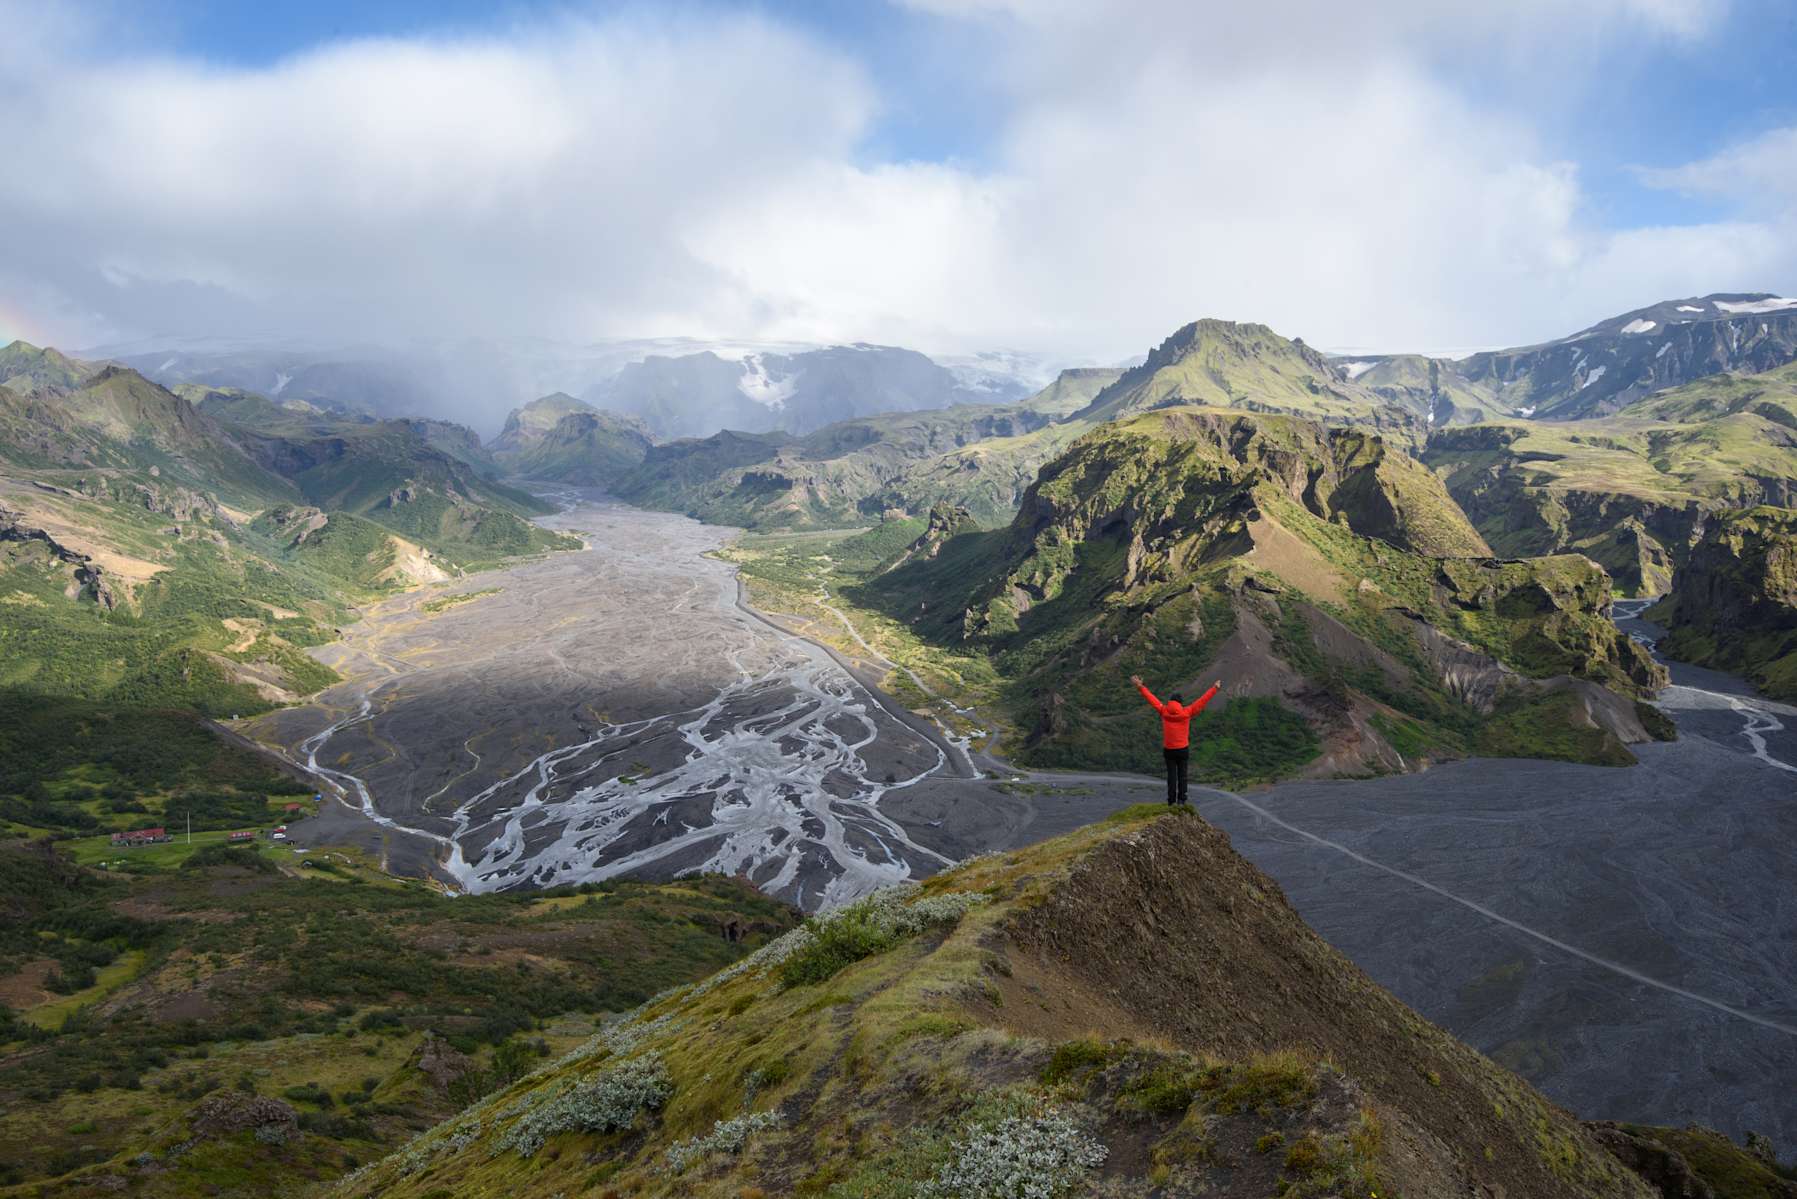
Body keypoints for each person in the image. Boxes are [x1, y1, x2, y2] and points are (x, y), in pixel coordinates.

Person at [1129, 675, 1221, 805]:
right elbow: (1202, 701)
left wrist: (1140, 687)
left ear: (1171, 702)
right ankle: (1181, 800)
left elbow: (1152, 699)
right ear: (1180, 703)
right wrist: (1214, 688)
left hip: (1169, 750)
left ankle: (1171, 801)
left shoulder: (1163, 710)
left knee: (1171, 776)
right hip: (1183, 749)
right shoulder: (1187, 712)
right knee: (1182, 776)